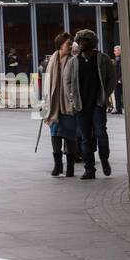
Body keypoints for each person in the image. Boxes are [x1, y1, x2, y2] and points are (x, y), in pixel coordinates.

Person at [63, 29, 116, 179]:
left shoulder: (103, 59)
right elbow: (66, 82)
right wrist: (72, 100)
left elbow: (112, 78)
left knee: (101, 133)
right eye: (78, 41)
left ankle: (104, 159)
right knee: (85, 137)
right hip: (81, 106)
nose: (80, 44)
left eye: (83, 41)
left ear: (91, 42)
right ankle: (89, 169)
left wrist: (105, 95)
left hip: (97, 104)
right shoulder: (73, 62)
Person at [43, 33, 80, 177]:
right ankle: (58, 164)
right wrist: (45, 105)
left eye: (71, 43)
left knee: (70, 135)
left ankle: (70, 166)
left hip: (68, 104)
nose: (70, 46)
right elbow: (47, 83)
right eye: (68, 44)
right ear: (60, 45)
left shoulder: (73, 60)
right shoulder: (52, 60)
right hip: (54, 105)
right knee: (55, 134)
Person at [112, 45, 124, 114]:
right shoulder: (116, 59)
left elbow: (121, 70)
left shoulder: (121, 59)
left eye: (115, 51)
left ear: (119, 51)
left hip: (120, 80)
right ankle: (118, 109)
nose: (114, 52)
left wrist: (120, 79)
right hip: (117, 80)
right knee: (117, 94)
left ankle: (120, 108)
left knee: (120, 94)